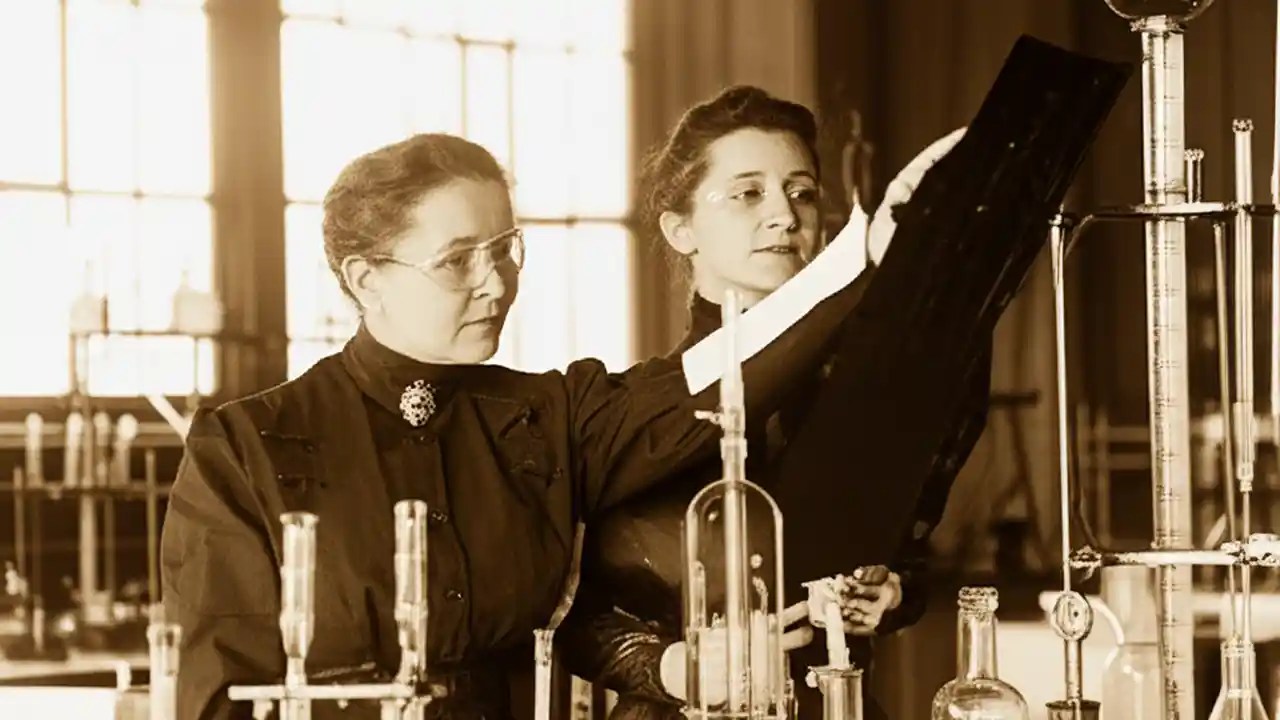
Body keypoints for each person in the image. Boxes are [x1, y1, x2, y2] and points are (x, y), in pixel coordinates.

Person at [159, 132, 872, 720]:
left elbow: (701, 382)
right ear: (364, 278)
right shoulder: (248, 444)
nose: (496, 282)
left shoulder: (548, 416)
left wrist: (866, 258)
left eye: (505, 250)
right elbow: (217, 700)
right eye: (457, 261)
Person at [554, 86, 987, 719]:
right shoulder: (634, 413)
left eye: (801, 192)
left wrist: (889, 592)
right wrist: (675, 666)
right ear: (680, 230)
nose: (785, 215)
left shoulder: (865, 395)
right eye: (747, 193)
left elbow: (909, 548)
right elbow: (572, 617)